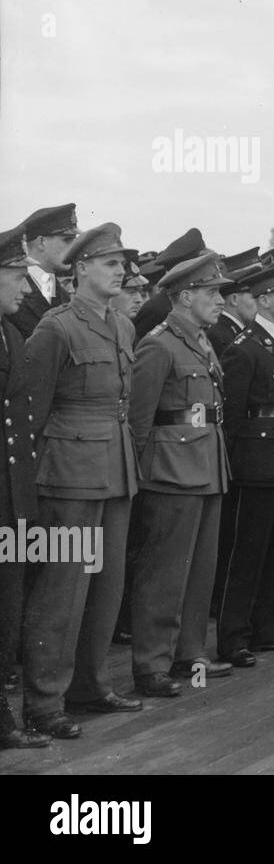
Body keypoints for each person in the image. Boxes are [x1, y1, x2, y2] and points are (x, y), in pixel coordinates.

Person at [23, 223, 143, 739]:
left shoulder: (123, 326)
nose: (122, 272)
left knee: (107, 583)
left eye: (123, 264)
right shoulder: (56, 328)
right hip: (69, 473)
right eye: (111, 263)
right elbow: (30, 411)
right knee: (62, 589)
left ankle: (90, 685)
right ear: (81, 270)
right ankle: (44, 701)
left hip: (115, 468)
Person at [128, 254, 234, 696]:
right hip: (171, 471)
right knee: (166, 571)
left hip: (207, 464)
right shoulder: (159, 344)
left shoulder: (199, 340)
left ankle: (189, 656)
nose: (220, 300)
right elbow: (138, 419)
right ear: (185, 296)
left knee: (199, 570)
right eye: (212, 293)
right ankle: (151, 664)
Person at [216, 260, 274, 667]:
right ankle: (234, 635)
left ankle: (266, 625)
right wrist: (232, 468)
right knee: (249, 550)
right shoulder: (244, 349)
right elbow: (232, 417)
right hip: (256, 463)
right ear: (264, 299)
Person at [0, 225, 50, 749]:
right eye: (15, 275)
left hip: (12, 499)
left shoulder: (11, 333)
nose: (23, 286)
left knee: (8, 610)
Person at [12, 204, 78, 339]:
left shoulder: (64, 295)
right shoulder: (11, 293)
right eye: (67, 240)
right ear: (41, 242)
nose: (74, 247)